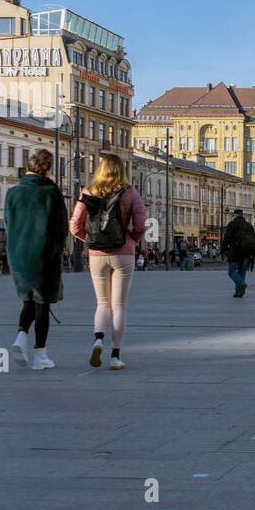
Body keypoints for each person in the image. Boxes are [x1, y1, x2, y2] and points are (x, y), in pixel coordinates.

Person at [70, 153, 148, 371]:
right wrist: (131, 239)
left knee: (102, 303)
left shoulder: (88, 191)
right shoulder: (130, 192)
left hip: (97, 255)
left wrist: (92, 241)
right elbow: (141, 224)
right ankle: (115, 356)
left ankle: (97, 340)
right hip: (123, 253)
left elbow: (75, 225)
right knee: (119, 305)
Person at [5, 149, 68, 372]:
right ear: (49, 169)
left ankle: (20, 338)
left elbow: (8, 224)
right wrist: (57, 252)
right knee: (42, 303)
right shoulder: (51, 192)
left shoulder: (13, 193)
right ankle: (40, 355)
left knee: (27, 301)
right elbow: (61, 229)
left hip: (17, 256)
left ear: (29, 167)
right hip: (43, 256)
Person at [221, 209, 255, 298]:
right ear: (242, 215)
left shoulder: (232, 224)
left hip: (235, 251)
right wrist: (254, 251)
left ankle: (241, 283)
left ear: (235, 215)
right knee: (242, 272)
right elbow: (254, 238)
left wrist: (223, 250)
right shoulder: (249, 225)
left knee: (231, 271)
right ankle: (239, 292)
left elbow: (227, 238)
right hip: (246, 252)